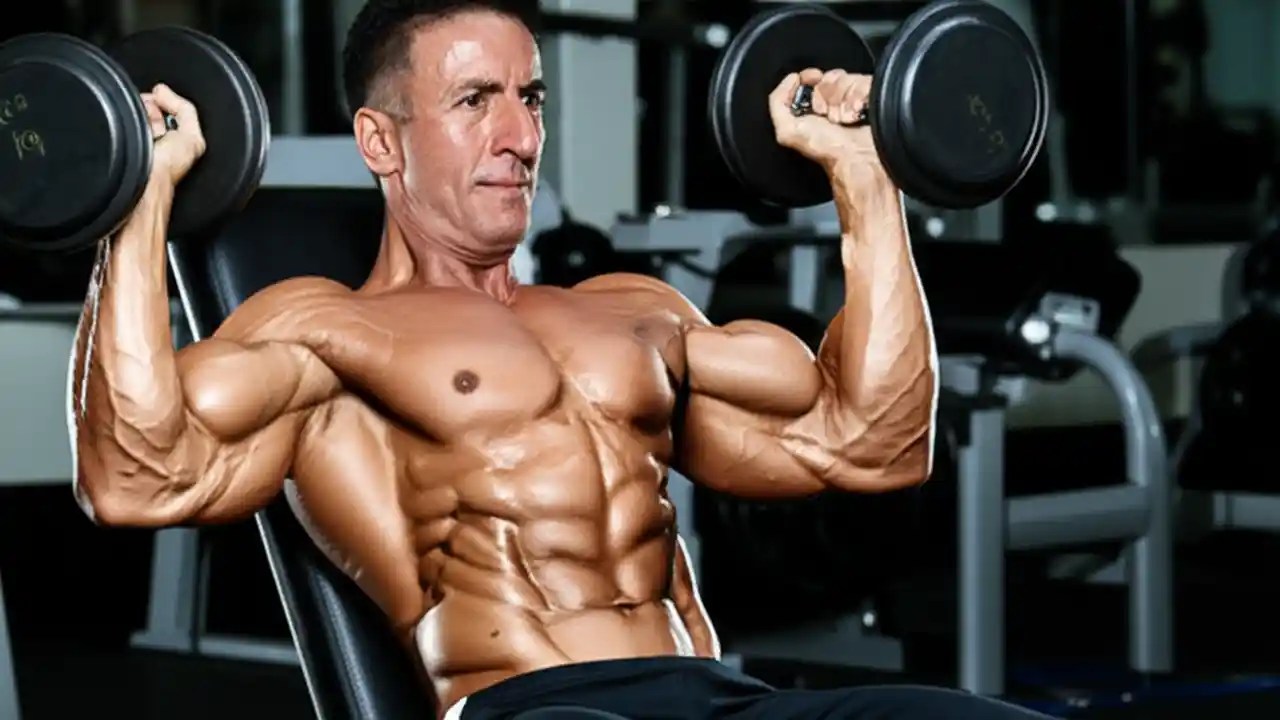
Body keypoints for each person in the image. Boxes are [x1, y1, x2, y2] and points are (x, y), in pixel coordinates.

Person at [68, 1, 1055, 718]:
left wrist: (863, 182)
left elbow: (874, 442)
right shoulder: (325, 333)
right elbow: (134, 477)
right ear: (380, 138)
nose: (518, 135)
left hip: (716, 699)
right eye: (473, 101)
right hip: (533, 709)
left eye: (527, 96)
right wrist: (134, 203)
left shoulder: (634, 313)